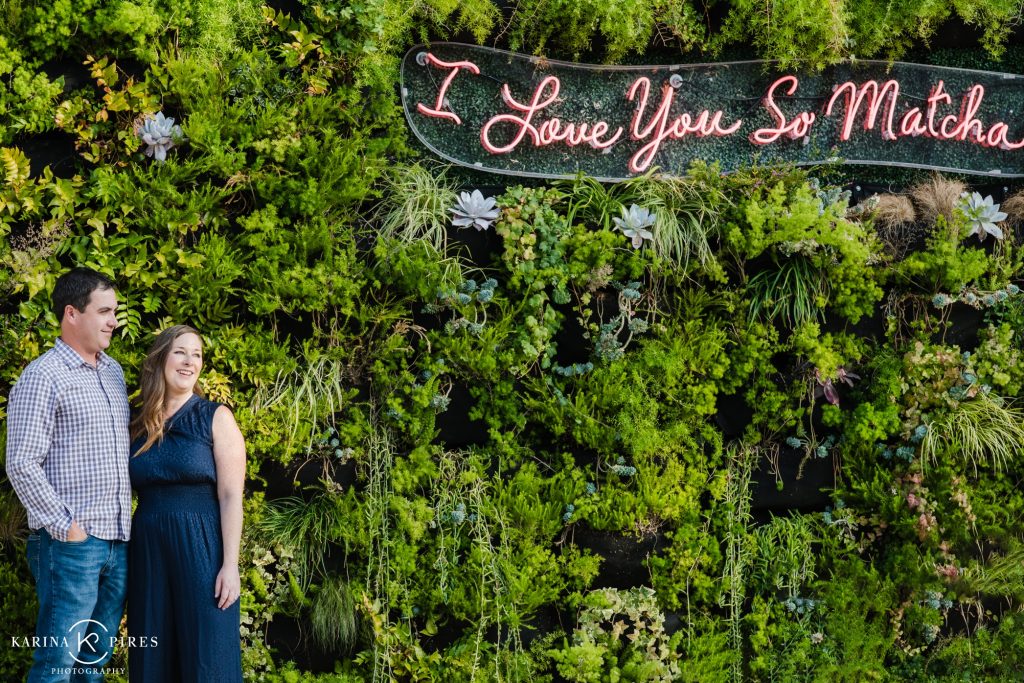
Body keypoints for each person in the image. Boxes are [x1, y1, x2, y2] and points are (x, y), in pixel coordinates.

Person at [5, 267, 132, 682]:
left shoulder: (112, 372)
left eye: (115, 311)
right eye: (104, 311)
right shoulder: (43, 376)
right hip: (70, 545)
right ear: (72, 314)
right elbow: (21, 462)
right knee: (56, 665)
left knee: (92, 666)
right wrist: (68, 527)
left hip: (116, 543)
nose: (114, 320)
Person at [127, 324, 245, 682]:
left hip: (203, 554)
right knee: (152, 660)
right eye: (180, 352)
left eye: (196, 355)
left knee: (207, 658)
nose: (189, 361)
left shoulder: (216, 417)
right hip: (149, 554)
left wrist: (231, 565)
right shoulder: (137, 422)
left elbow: (230, 496)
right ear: (161, 358)